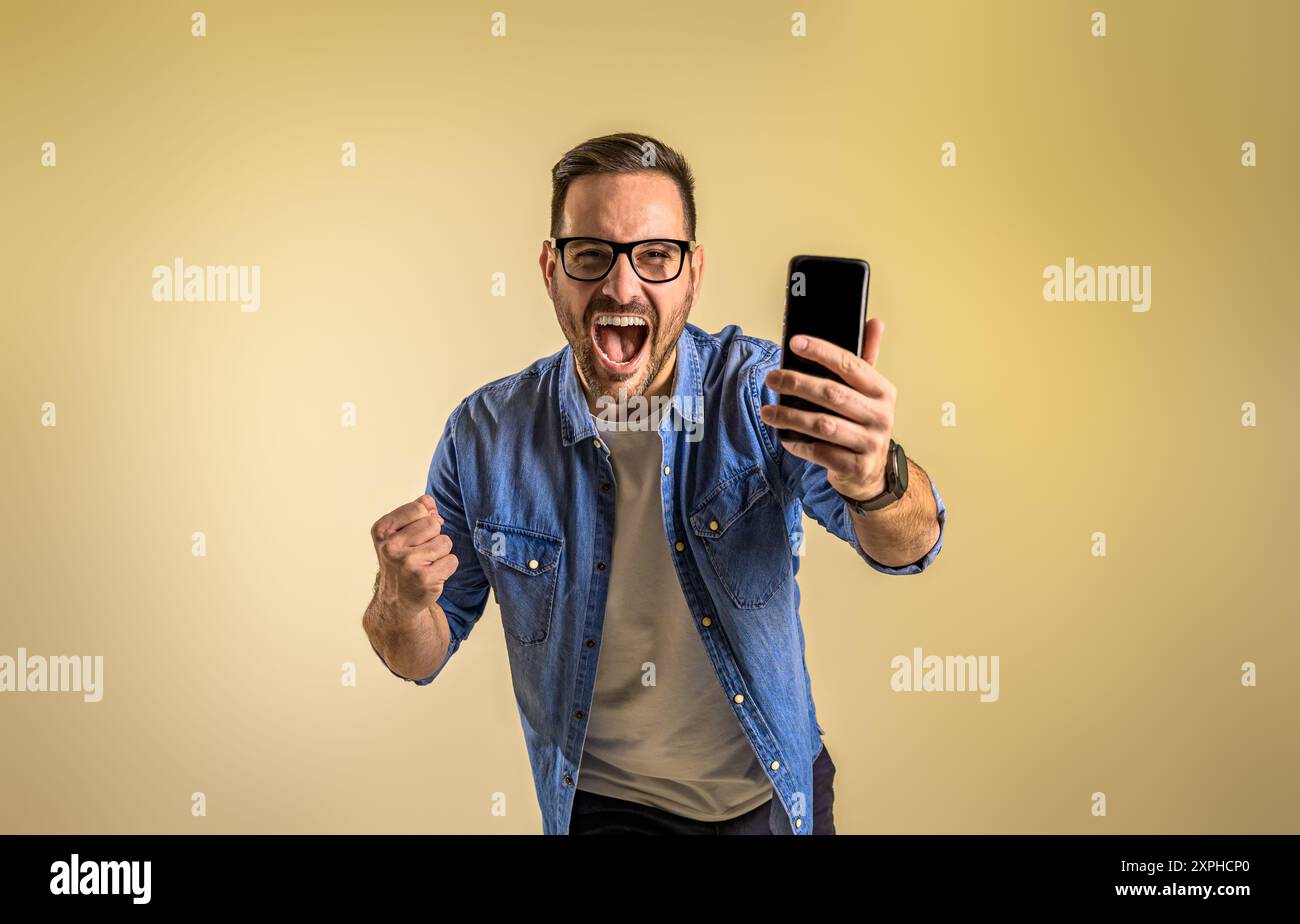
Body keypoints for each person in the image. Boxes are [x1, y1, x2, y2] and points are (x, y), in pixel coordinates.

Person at [362, 131, 947, 835]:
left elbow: (908, 545)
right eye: (590, 255)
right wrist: (399, 603)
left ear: (694, 274)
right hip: (607, 807)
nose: (621, 284)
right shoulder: (485, 435)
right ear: (550, 269)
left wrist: (874, 478)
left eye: (656, 257)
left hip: (770, 795)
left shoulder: (763, 396)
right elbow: (416, 654)